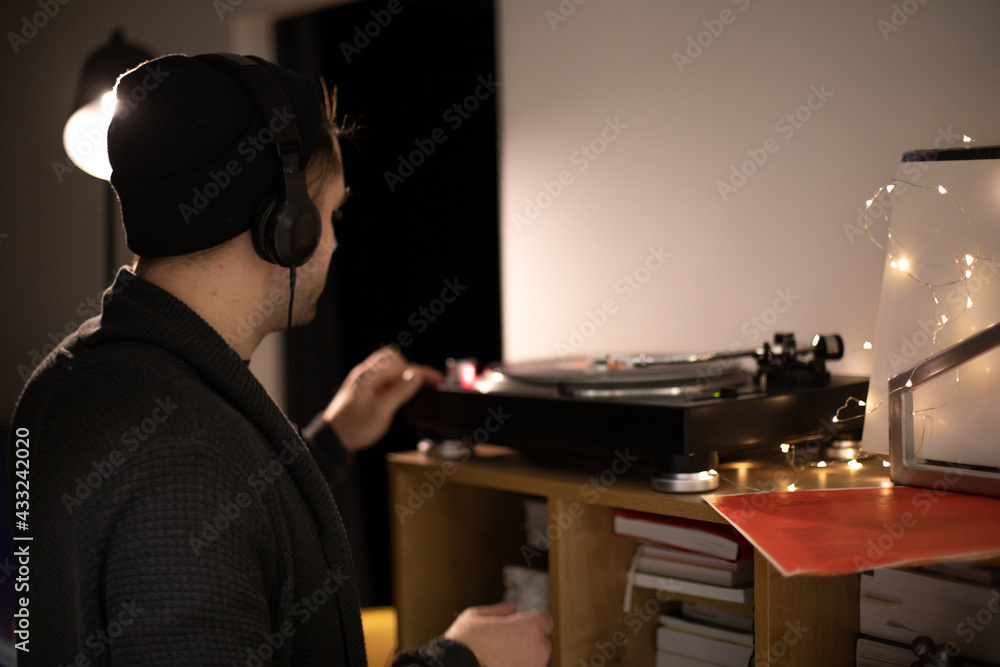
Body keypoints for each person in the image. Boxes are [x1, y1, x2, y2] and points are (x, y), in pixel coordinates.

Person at [9, 53, 552, 666]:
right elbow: (191, 502)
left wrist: (330, 440)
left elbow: (212, 537)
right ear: (284, 225)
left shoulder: (66, 379)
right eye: (332, 212)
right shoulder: (186, 457)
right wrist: (462, 661)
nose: (336, 239)